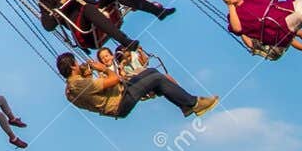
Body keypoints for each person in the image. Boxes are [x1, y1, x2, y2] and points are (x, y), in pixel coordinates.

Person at [59, 52, 218, 120]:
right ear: (73, 66)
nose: (80, 64)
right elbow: (114, 79)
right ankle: (194, 104)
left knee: (150, 72)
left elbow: (90, 97)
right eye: (77, 63)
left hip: (120, 95)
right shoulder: (79, 84)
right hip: (121, 101)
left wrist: (87, 75)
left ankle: (184, 105)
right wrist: (103, 69)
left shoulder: (71, 88)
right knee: (157, 79)